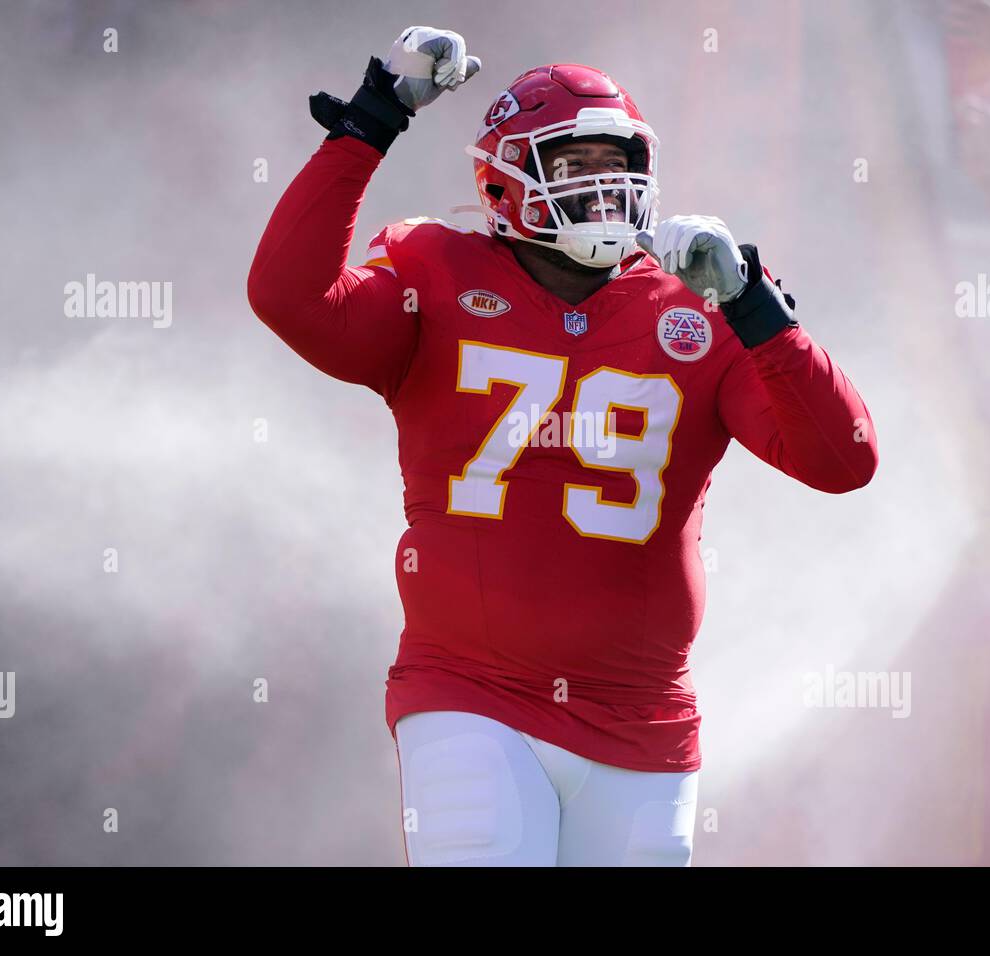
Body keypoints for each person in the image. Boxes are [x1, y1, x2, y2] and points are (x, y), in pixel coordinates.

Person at [247, 25, 878, 866]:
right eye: (574, 163)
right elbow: (292, 299)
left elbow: (844, 463)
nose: (605, 185)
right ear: (505, 178)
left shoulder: (696, 308)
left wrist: (757, 307)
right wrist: (371, 120)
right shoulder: (436, 271)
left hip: (643, 717)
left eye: (619, 163)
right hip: (470, 693)